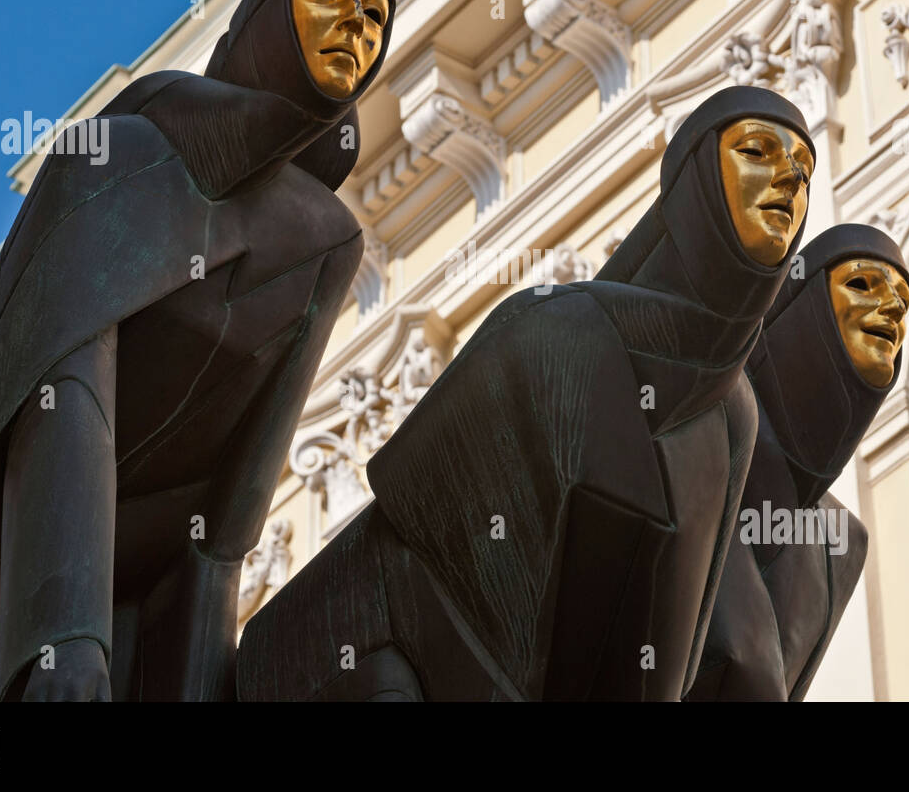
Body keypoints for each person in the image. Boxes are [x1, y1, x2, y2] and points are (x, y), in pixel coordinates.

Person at [0, 0, 395, 701]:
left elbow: (222, 533)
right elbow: (62, 391)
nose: (356, 24)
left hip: (118, 633)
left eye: (375, 14)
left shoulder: (327, 245)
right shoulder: (120, 149)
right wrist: (61, 647)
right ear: (263, 19)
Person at [238, 86, 817, 701]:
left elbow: (665, 660)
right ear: (696, 181)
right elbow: (410, 561)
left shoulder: (731, 419)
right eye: (757, 151)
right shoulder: (556, 327)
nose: (788, 180)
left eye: (804, 171)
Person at [687, 223, 909, 700]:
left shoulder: (842, 545)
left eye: (903, 302)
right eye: (860, 284)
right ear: (802, 305)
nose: (892, 308)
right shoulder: (703, 425)